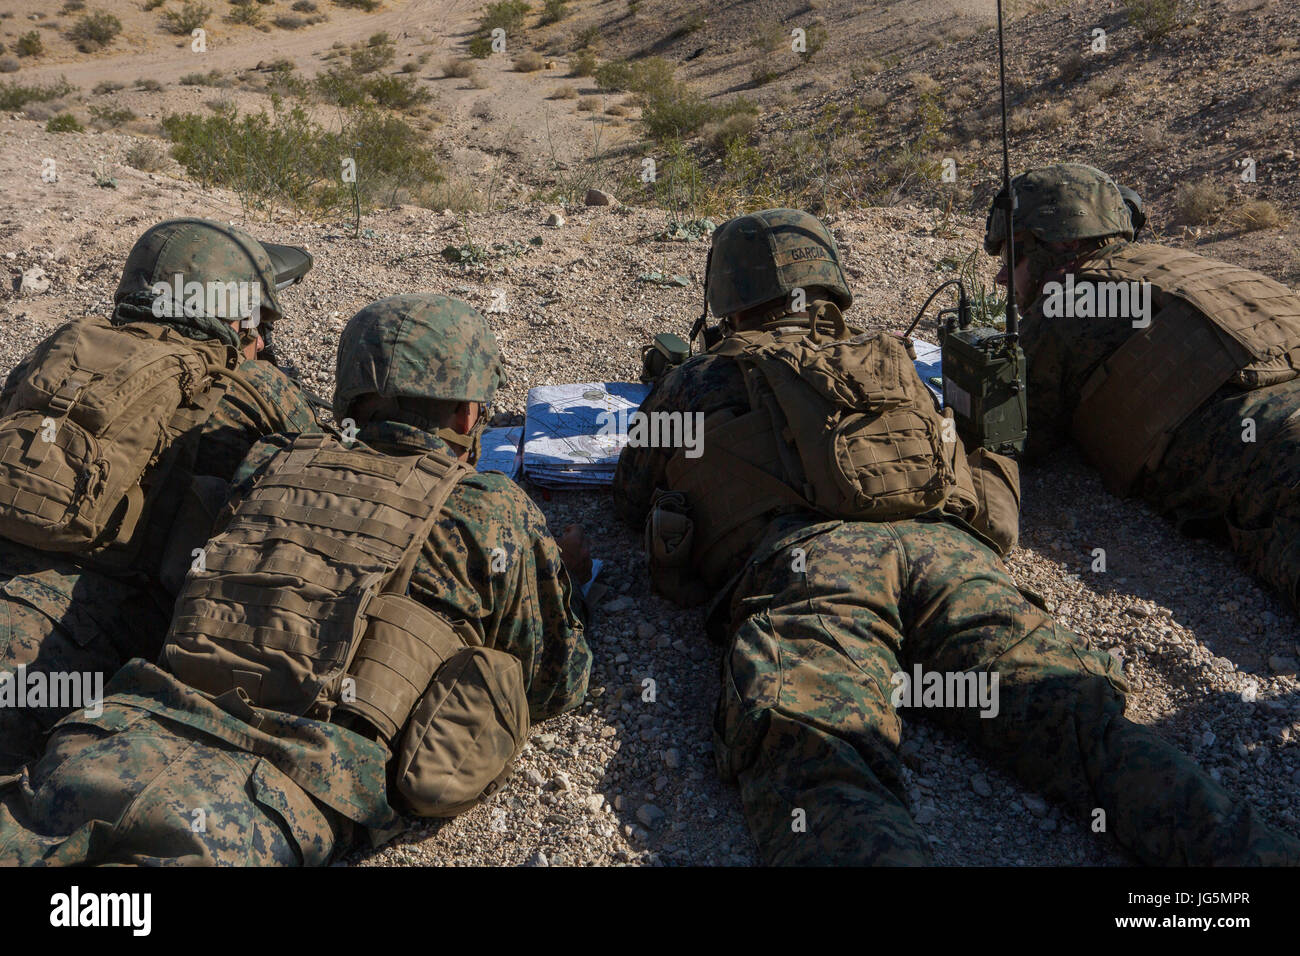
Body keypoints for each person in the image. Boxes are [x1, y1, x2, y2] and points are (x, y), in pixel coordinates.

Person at [613, 207, 1299, 865]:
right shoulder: (889, 360)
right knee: (1084, 725)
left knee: (820, 757)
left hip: (812, 571)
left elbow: (631, 492)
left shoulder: (702, 378)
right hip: (951, 555)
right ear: (829, 285)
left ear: (728, 300)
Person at [0, 293, 592, 865]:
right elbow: (554, 681)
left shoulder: (272, 456)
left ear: (350, 399)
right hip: (274, 791)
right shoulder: (488, 505)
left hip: (120, 733)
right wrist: (566, 578)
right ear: (469, 414)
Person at [0, 218, 319, 771]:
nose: (262, 342)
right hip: (82, 644)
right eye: (256, 326)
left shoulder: (61, 351)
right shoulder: (255, 388)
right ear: (232, 320)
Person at [985, 162, 1300, 609]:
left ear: (1064, 245)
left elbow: (1011, 434)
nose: (1001, 277)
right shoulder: (1177, 265)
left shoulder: (1065, 303)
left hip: (1276, 445)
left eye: (1011, 255)